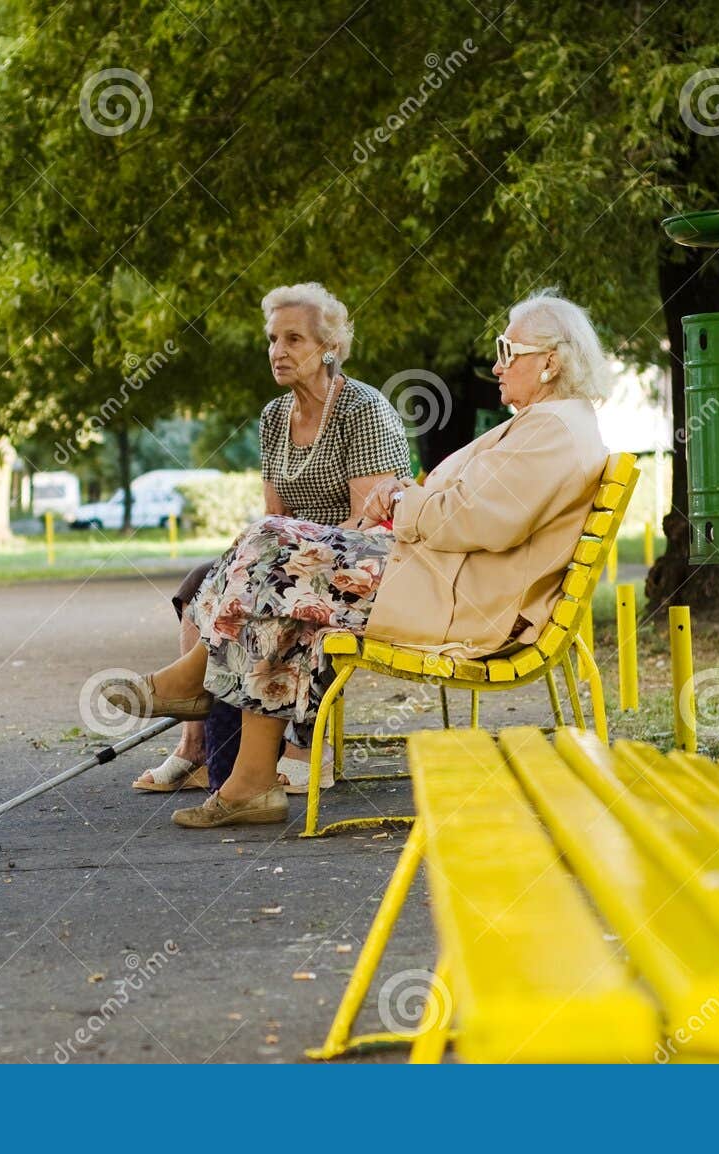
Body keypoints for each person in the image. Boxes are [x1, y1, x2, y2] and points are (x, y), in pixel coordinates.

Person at [99, 288, 613, 828]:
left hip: (460, 600)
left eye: (508, 350)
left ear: (550, 361)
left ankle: (192, 686)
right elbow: (479, 512)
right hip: (444, 579)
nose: (496, 364)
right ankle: (249, 782)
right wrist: (406, 503)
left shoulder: (552, 430)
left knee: (272, 551)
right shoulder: (549, 424)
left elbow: (480, 520)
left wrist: (399, 499)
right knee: (275, 574)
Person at [130, 282, 411, 795]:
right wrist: (264, 552)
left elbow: (372, 524)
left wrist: (286, 549)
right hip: (284, 551)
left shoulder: (363, 409)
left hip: (349, 557)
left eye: (294, 340)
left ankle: (288, 745)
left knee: (277, 594)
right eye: (272, 339)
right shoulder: (273, 417)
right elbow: (273, 512)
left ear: (329, 348)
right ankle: (195, 747)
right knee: (203, 583)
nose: (278, 352)